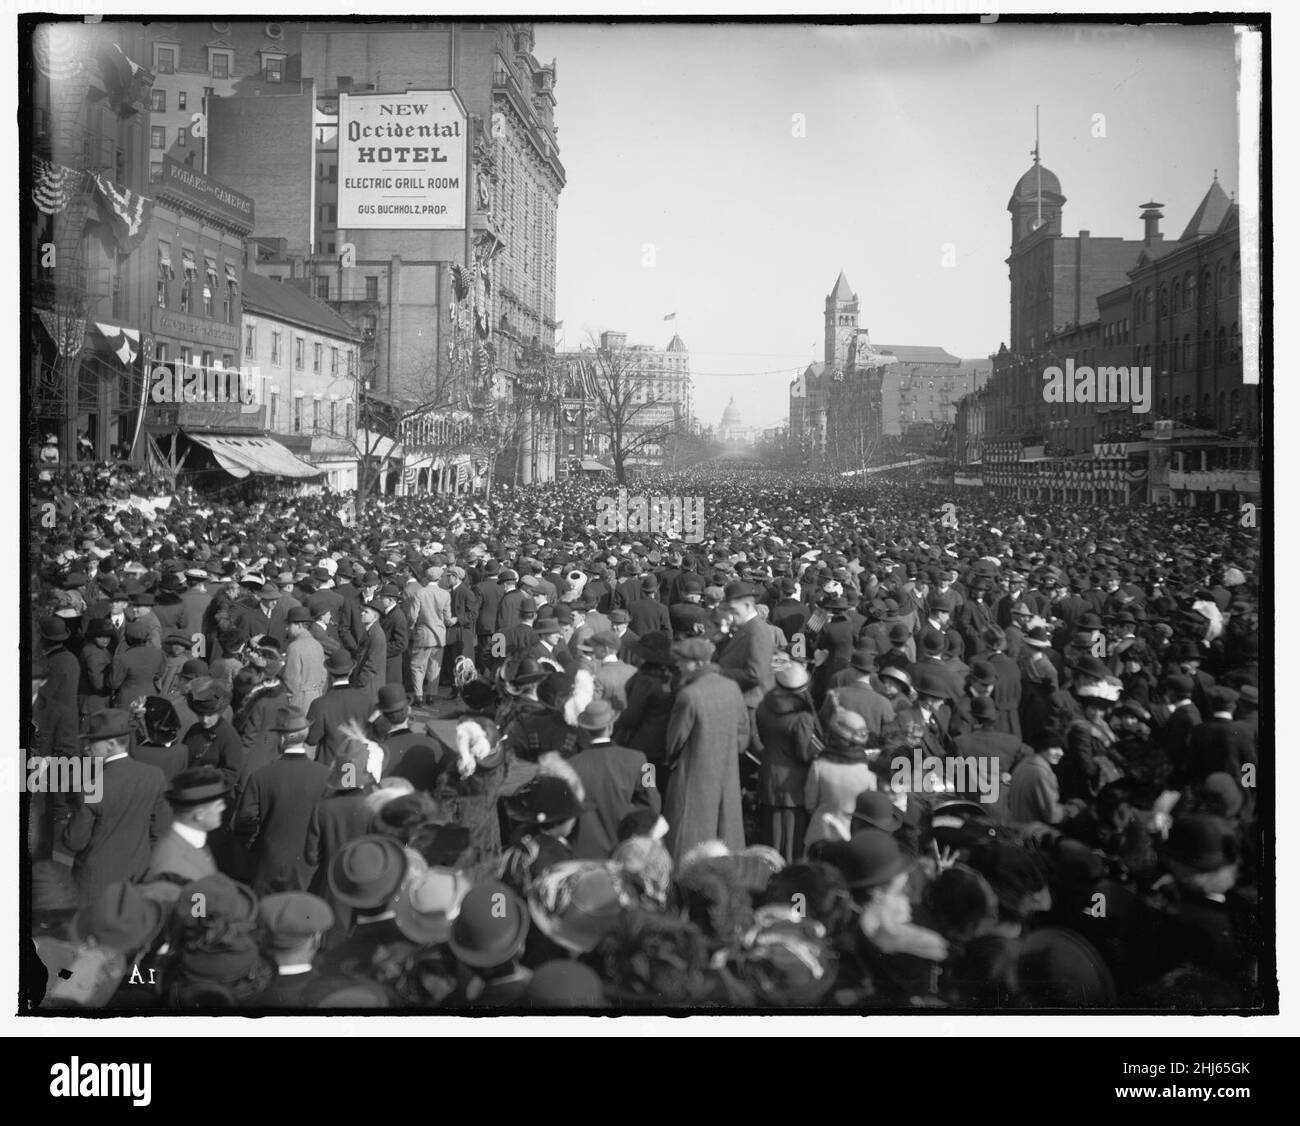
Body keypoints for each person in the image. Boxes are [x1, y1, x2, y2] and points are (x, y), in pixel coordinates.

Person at [62, 710, 169, 907]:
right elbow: (160, 831)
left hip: (94, 885)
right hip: (137, 878)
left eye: (91, 742)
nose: (85, 748)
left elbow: (75, 841)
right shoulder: (154, 776)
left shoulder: (92, 787)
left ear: (111, 745)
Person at [662, 638, 748, 864]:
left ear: (697, 663)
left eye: (682, 661)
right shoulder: (732, 687)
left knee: (687, 847)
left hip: (693, 778)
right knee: (726, 839)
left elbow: (674, 742)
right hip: (727, 776)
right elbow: (743, 735)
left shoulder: (689, 695)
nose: (678, 665)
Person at [234, 704, 332, 895]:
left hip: (269, 869)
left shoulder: (261, 776)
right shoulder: (326, 776)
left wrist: (260, 848)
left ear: (282, 737)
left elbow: (243, 825)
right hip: (311, 871)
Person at [567, 701, 660, 861]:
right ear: (610, 727)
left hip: (582, 857)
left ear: (584, 730)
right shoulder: (642, 759)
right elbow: (653, 804)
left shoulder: (569, 766)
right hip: (625, 852)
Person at [147, 766, 230, 884]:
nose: (223, 808)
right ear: (199, 814)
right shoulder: (172, 866)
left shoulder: (193, 844)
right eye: (218, 805)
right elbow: (195, 901)